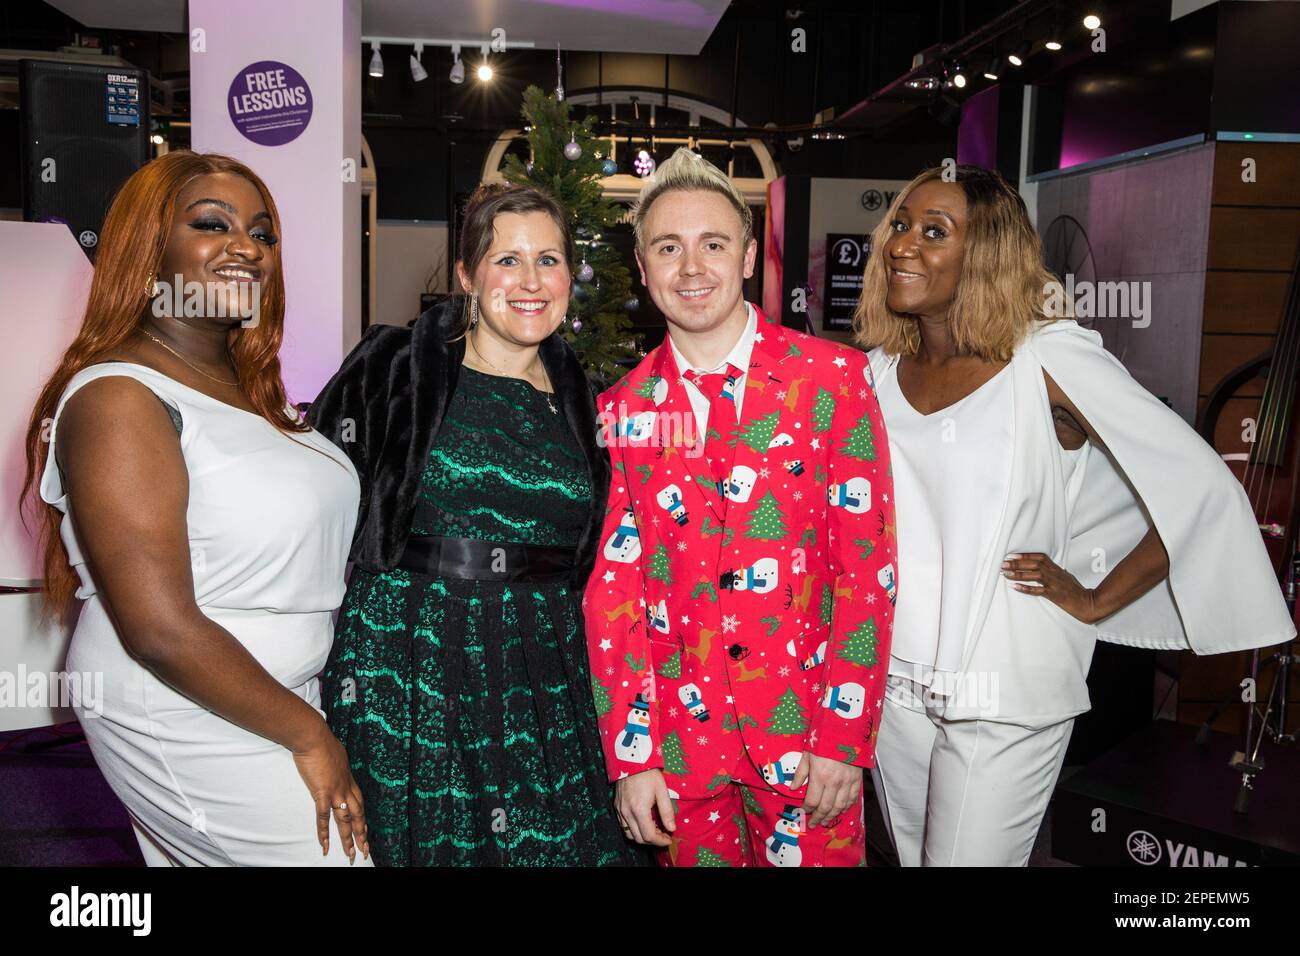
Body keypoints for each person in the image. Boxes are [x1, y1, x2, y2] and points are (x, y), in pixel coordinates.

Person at [855, 164, 1295, 866]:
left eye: (934, 232)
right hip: (894, 686)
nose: (902, 245)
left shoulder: (1048, 360)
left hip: (1006, 689)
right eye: (900, 226)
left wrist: (1094, 598)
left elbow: (1205, 491)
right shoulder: (878, 371)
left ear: (987, 254)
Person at [23, 150, 370, 866]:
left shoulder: (250, 393)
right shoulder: (119, 396)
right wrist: (309, 733)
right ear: (149, 250)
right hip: (180, 703)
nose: (248, 246)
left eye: (263, 233)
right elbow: (158, 628)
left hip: (267, 697)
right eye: (212, 225)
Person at [310, 182, 643, 866]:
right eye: (507, 260)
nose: (531, 281)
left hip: (544, 667)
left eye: (549, 260)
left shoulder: (591, 399)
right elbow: (312, 508)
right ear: (466, 275)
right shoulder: (392, 368)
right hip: (411, 661)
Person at [583, 147, 897, 867]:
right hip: (681, 759)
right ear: (642, 267)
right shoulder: (623, 411)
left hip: (809, 750)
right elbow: (615, 595)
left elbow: (866, 572)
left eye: (713, 244)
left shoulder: (834, 383)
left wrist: (843, 740)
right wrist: (633, 758)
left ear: (749, 256)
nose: (692, 269)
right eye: (669, 248)